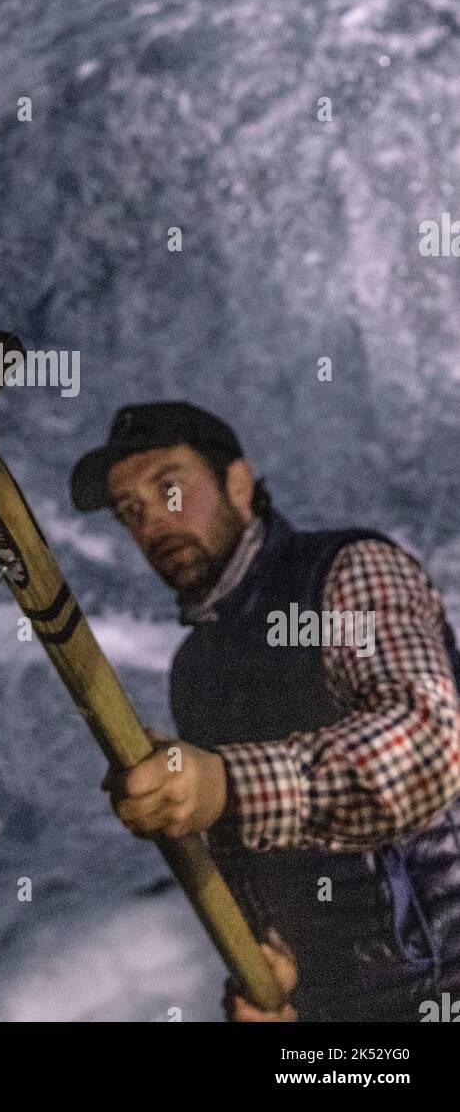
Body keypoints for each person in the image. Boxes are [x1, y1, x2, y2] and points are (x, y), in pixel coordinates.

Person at [70, 402, 460, 1022]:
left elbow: (428, 745)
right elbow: (254, 883)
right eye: (131, 512)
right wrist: (279, 988)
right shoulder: (194, 672)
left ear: (239, 483)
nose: (152, 523)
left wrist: (225, 784)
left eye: (170, 488)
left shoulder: (348, 570)